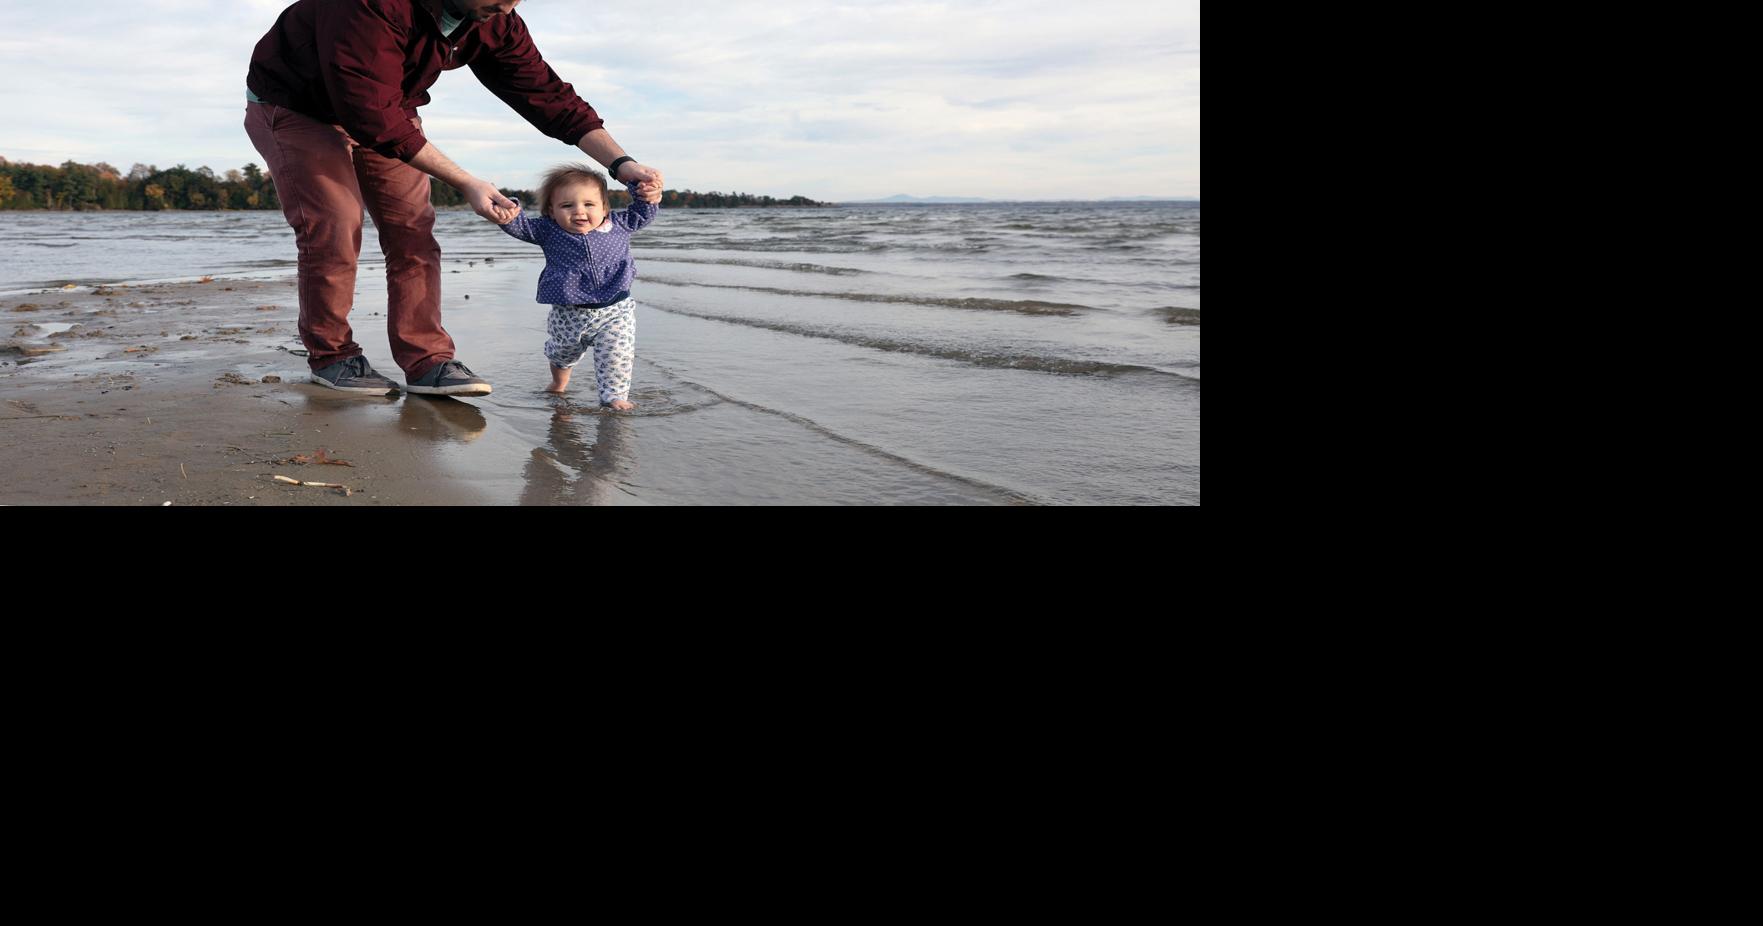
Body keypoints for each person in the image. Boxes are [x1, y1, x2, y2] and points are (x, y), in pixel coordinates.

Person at [242, 0, 664, 396]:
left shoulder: (493, 17)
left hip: (390, 108)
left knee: (413, 231)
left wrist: (622, 164)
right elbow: (370, 113)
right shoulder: (373, 5)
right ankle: (332, 356)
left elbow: (549, 97)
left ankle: (427, 361)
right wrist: (465, 181)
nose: (507, 8)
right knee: (335, 223)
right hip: (297, 106)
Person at [493, 164, 657, 409]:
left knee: (617, 355)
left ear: (604, 207)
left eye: (589, 204)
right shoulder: (548, 230)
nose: (579, 212)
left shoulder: (619, 224)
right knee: (562, 354)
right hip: (569, 312)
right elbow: (520, 225)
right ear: (551, 210)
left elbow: (644, 212)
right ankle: (558, 384)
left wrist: (642, 189)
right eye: (567, 206)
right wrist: (506, 209)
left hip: (616, 309)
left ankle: (614, 397)